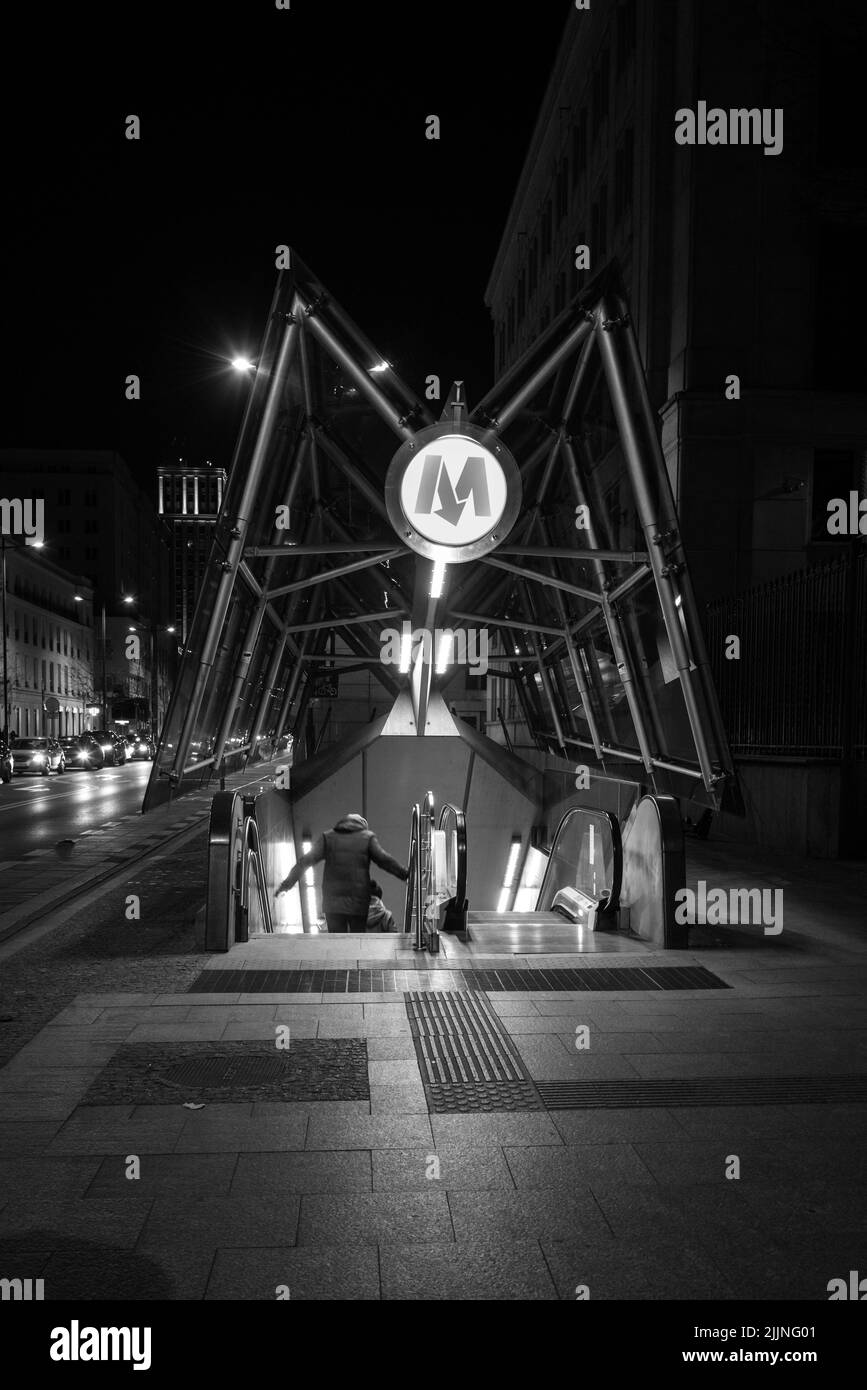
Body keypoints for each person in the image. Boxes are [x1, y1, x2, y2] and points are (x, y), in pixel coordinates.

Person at [276, 812, 408, 933]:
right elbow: (384, 860)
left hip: (332, 903)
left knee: (337, 942)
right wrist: (405, 874)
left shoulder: (328, 837)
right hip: (358, 904)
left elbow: (305, 861)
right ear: (363, 827)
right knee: (357, 943)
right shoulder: (367, 838)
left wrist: (286, 885)